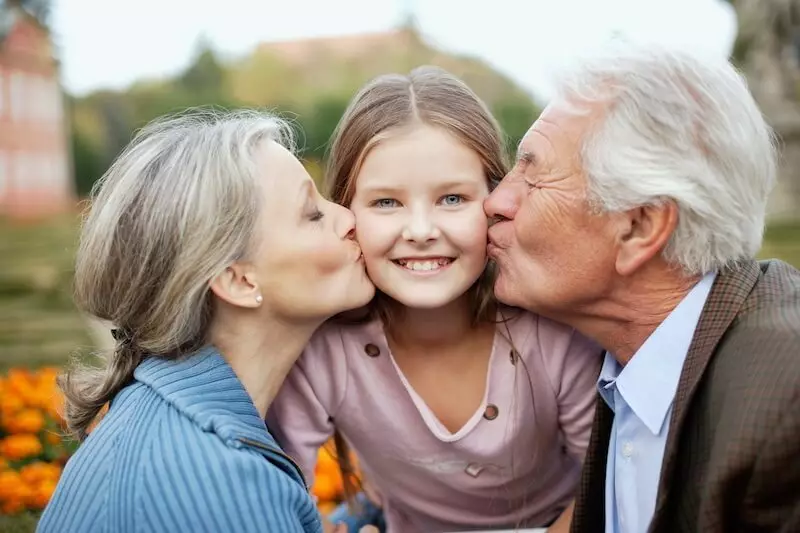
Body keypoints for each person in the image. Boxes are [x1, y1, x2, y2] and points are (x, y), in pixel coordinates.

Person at [267, 66, 603, 533]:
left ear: (494, 198)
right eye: (387, 203)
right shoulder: (326, 348)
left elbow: (606, 484)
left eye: (452, 199)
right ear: (348, 212)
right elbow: (281, 494)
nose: (422, 231)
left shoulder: (552, 331)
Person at [484, 44, 800, 533]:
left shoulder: (785, 403)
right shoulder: (630, 352)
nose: (497, 200)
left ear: (640, 228)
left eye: (534, 175)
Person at [37, 109, 375, 533]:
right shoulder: (222, 484)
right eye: (313, 214)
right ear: (237, 279)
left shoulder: (173, 421)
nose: (349, 218)